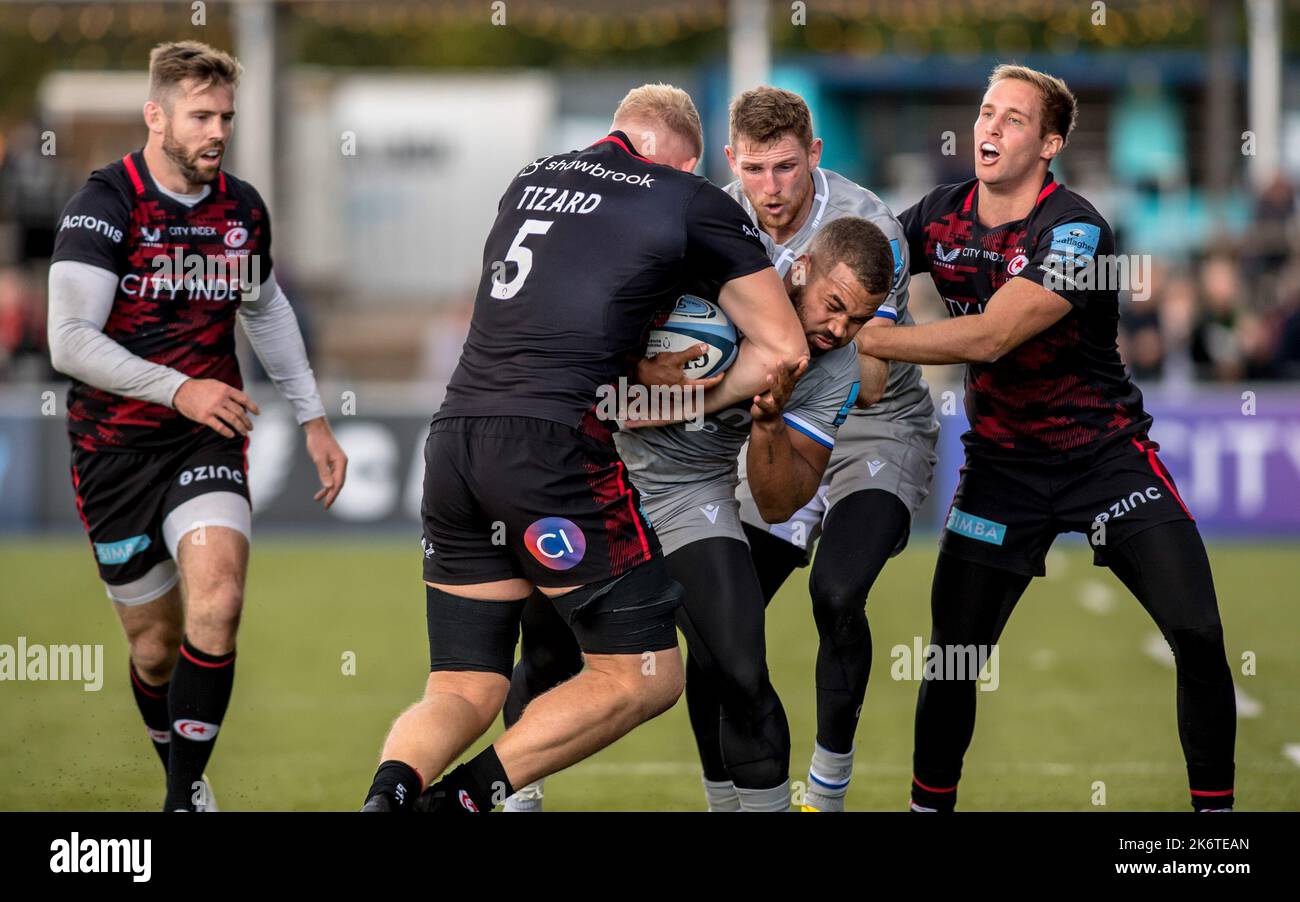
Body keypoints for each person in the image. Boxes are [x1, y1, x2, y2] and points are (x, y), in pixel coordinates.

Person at [361, 83, 809, 814]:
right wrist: (689, 396)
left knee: (465, 685)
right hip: (553, 449)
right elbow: (783, 348)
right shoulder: (686, 196)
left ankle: (387, 797)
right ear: (687, 159)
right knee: (647, 673)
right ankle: (461, 802)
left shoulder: (530, 180)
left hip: (454, 441)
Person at [854, 64, 1236, 812]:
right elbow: (863, 266)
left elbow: (995, 336)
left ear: (1050, 143)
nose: (989, 129)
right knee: (954, 661)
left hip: (1106, 461)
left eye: (1014, 120)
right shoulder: (937, 214)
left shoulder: (1079, 229)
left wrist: (878, 341)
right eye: (986, 113)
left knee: (1197, 633)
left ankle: (1214, 832)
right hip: (1001, 472)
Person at [504, 216, 896, 811]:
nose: (839, 330)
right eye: (834, 306)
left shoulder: (837, 369)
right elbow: (575, 344)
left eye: (859, 321)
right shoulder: (715, 271)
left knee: (741, 671)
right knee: (547, 654)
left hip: (695, 496)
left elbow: (777, 501)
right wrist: (637, 368)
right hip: (595, 476)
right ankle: (518, 801)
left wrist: (767, 423)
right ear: (803, 269)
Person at [47, 41, 347, 811]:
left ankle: (182, 801)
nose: (217, 131)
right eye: (200, 115)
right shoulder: (105, 203)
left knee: (219, 600)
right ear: (156, 116)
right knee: (153, 649)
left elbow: (266, 307)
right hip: (112, 450)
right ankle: (184, 775)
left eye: (226, 117)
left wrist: (312, 416)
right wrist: (180, 388)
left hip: (204, 440)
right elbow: (69, 342)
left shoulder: (241, 209)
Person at [721, 85, 941, 811]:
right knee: (722, 623)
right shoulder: (718, 218)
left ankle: (827, 791)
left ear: (813, 154)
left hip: (876, 428)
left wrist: (785, 353)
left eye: (785, 167)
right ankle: (730, 801)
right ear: (733, 161)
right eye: (755, 169)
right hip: (776, 418)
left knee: (837, 592)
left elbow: (869, 381)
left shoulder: (869, 226)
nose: (770, 188)